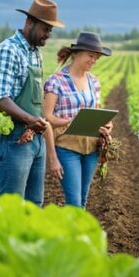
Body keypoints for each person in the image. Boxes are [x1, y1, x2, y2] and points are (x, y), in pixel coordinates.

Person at [0, 0, 64, 206]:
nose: (47, 35)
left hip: (36, 139)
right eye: (45, 29)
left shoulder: (35, 53)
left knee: (34, 205)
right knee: (12, 209)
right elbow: (0, 97)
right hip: (15, 141)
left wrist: (37, 123)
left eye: (50, 30)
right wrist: (30, 119)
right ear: (29, 22)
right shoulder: (9, 50)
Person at [43, 32, 113, 208]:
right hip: (67, 147)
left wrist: (106, 124)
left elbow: (96, 111)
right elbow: (47, 118)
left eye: (96, 58)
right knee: (74, 202)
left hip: (91, 147)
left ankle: (77, 234)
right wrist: (53, 157)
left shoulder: (94, 82)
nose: (93, 61)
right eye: (91, 56)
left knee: (82, 200)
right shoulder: (56, 81)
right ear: (76, 54)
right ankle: (72, 234)